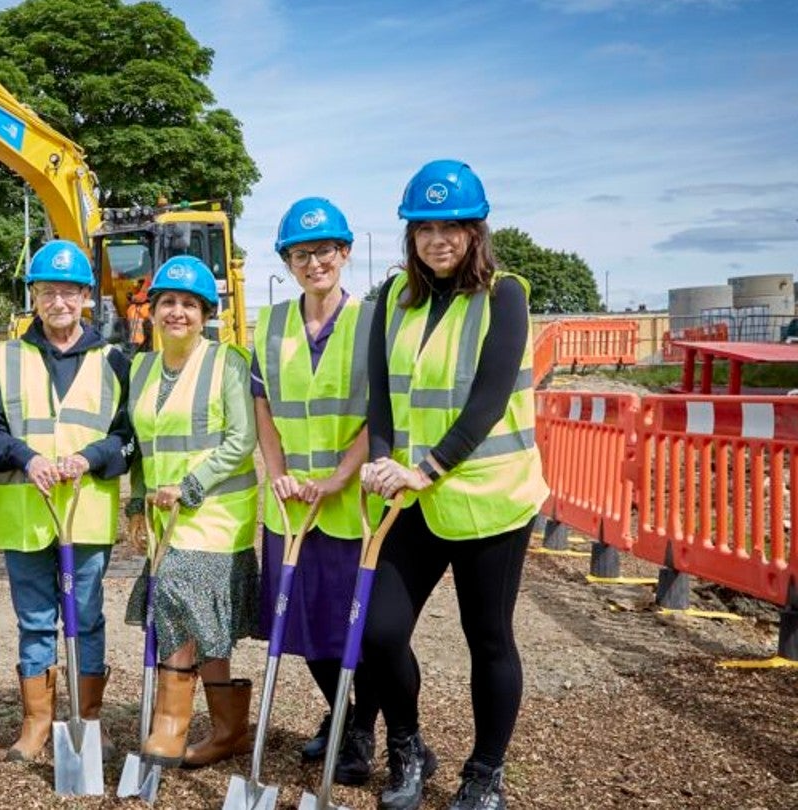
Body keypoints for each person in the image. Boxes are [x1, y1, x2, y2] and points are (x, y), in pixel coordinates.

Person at [359, 160, 548, 810]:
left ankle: (484, 773)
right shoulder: (392, 299)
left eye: (452, 227)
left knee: (488, 639)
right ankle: (408, 748)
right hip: (413, 499)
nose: (437, 240)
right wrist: (384, 459)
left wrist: (424, 468)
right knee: (380, 633)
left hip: (492, 500)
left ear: (476, 232)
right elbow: (382, 395)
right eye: (424, 228)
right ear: (410, 235)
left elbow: (488, 400)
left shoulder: (505, 295)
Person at [0, 239, 134, 762]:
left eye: (69, 291)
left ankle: (88, 719)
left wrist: (91, 456)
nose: (59, 302)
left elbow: (130, 435)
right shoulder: (4, 357)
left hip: (87, 514)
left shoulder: (115, 360)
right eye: (48, 291)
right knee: (36, 620)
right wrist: (28, 457)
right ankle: (37, 722)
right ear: (34, 297)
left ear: (86, 296)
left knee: (86, 618)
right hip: (26, 512)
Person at [251, 197, 381, 784]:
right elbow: (263, 405)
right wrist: (275, 470)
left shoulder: (372, 321)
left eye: (324, 250)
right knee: (301, 626)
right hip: (291, 506)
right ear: (287, 261)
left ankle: (363, 730)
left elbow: (382, 412)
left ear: (345, 253)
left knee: (358, 628)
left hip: (352, 504)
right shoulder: (271, 322)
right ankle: (342, 713)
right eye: (300, 254)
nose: (313, 262)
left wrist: (339, 478)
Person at [125, 255, 260, 770]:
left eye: (188, 304)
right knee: (199, 623)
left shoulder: (227, 362)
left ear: (206, 313)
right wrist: (137, 502)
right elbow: (141, 444)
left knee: (179, 598)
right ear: (153, 310)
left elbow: (240, 439)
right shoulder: (140, 368)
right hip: (168, 517)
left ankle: (170, 726)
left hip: (217, 513)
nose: (176, 312)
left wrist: (192, 484)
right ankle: (228, 730)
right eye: (167, 302)